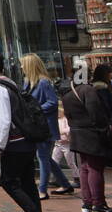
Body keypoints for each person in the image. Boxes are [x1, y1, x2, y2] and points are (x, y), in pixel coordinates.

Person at [0, 50, 58, 212]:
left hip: (14, 144)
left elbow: (4, 120)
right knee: (28, 184)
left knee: (8, 182)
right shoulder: (11, 83)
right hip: (27, 141)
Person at [62, 62, 112, 212]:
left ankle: (87, 202)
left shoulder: (67, 94)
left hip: (77, 133)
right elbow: (96, 114)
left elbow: (69, 116)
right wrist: (104, 130)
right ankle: (98, 204)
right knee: (95, 168)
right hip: (91, 134)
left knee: (85, 168)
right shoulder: (88, 90)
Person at [20, 53, 75, 199]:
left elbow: (52, 102)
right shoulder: (27, 82)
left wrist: (36, 110)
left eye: (23, 64)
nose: (21, 67)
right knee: (45, 157)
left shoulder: (43, 82)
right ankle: (65, 184)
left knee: (42, 157)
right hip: (36, 125)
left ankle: (42, 190)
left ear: (30, 66)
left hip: (45, 127)